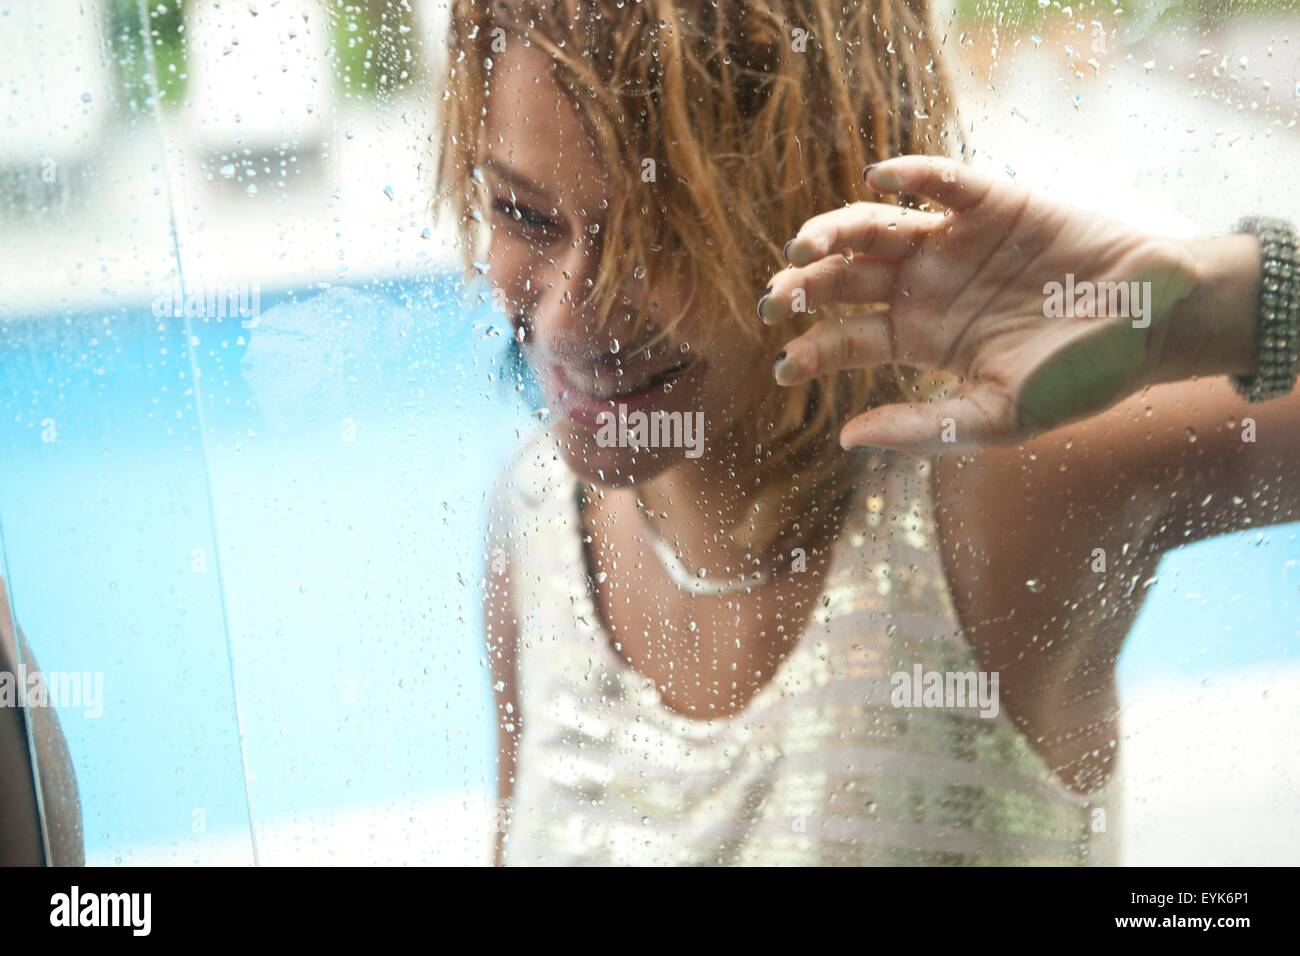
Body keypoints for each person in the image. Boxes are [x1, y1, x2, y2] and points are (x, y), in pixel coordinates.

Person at [434, 0, 1299, 865]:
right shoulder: (540, 519)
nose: (572, 315)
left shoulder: (992, 492)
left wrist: (1190, 312)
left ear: (826, 192)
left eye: (665, 235)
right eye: (525, 214)